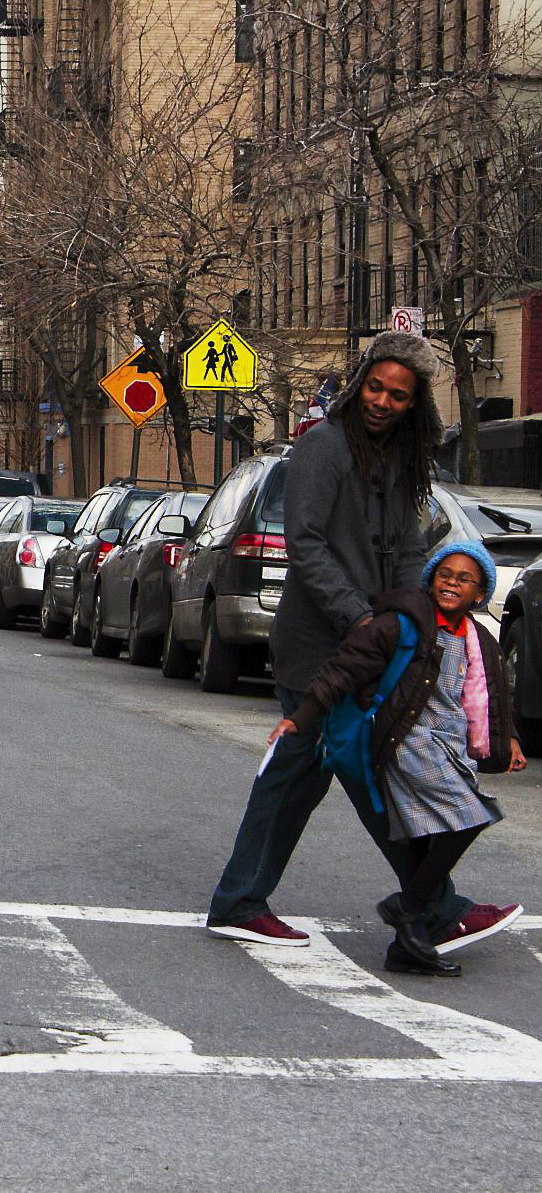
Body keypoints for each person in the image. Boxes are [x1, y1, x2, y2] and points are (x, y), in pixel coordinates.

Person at [205, 331, 518, 953]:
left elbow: (405, 548)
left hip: (375, 642)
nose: (381, 401)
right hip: (319, 642)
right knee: (338, 769)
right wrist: (361, 618)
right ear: (358, 383)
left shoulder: (402, 460)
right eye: (375, 387)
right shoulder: (322, 448)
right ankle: (430, 905)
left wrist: (414, 619)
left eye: (397, 395)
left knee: (337, 770)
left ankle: (249, 899)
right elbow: (307, 545)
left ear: (415, 404)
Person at [270, 543, 522, 975]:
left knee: (428, 841)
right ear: (430, 580)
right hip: (408, 740)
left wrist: (510, 739)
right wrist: (302, 716)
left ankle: (409, 946)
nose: (452, 583)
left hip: (449, 746)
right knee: (471, 816)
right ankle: (408, 907)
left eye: (464, 579)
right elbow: (345, 668)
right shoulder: (402, 624)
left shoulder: (477, 638)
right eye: (445, 574)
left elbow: (491, 694)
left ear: (479, 595)